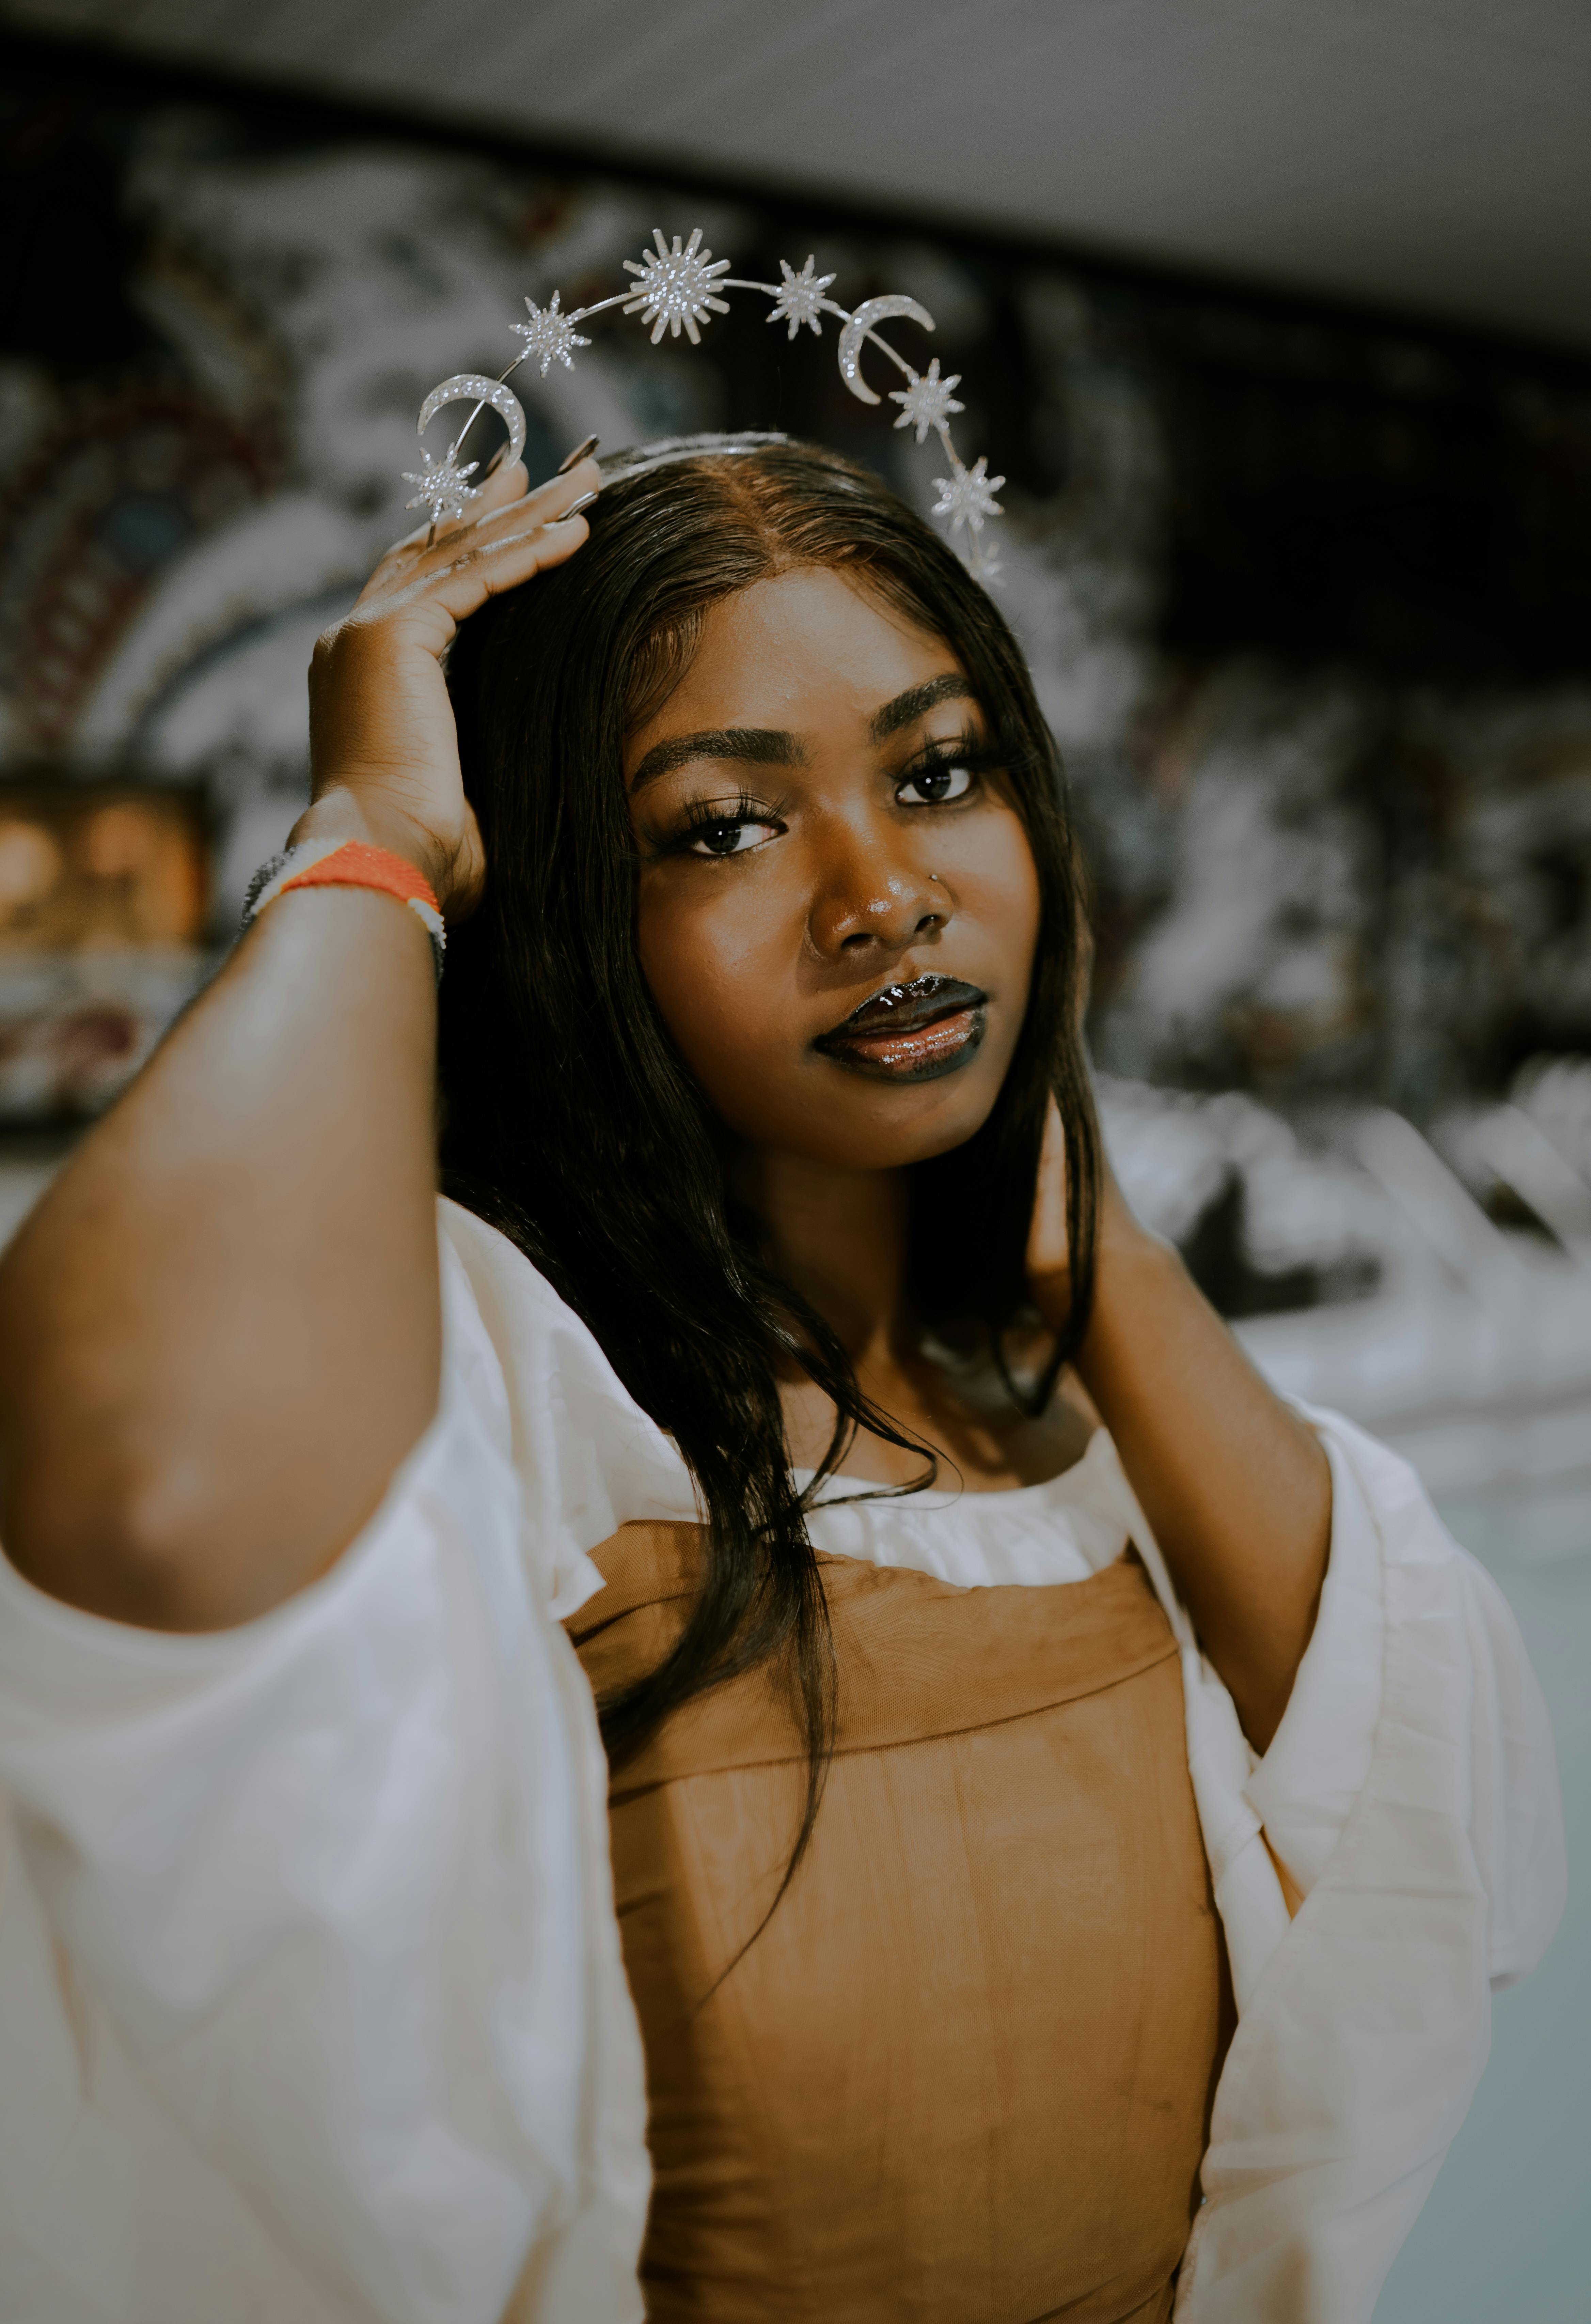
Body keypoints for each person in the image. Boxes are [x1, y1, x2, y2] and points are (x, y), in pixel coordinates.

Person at [0, 440, 1565, 2324]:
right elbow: (148, 1475)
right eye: (724, 826)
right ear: (569, 897)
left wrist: (1086, 1242)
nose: (883, 895)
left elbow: (1435, 1847)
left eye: (941, 774)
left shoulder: (1102, 1419)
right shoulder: (510, 1390)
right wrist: (377, 838)